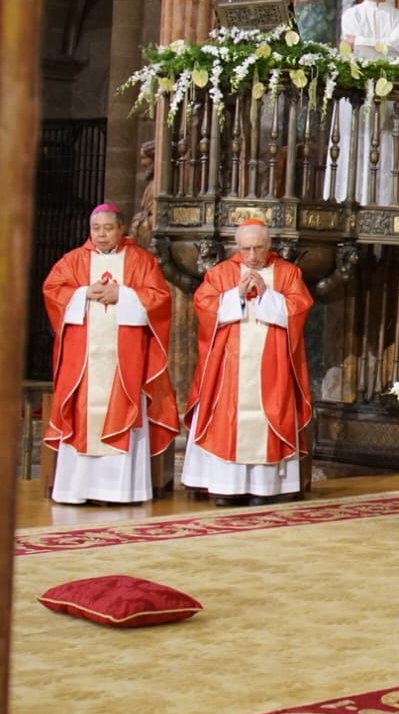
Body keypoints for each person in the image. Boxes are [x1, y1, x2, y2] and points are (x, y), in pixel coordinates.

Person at [42, 204, 180, 504]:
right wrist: (81, 293)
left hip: (125, 360)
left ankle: (118, 491)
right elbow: (52, 290)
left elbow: (159, 298)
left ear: (121, 229)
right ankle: (77, 489)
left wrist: (124, 295)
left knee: (123, 410)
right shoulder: (73, 261)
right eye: (96, 228)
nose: (101, 234)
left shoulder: (140, 260)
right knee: (82, 415)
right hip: (84, 360)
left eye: (108, 228)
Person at [183, 220, 313, 505]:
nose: (252, 255)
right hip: (230, 365)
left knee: (271, 414)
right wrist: (236, 296)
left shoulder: (288, 273)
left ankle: (265, 489)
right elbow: (203, 305)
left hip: (273, 365)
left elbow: (299, 309)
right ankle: (227, 487)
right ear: (237, 247)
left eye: (258, 247)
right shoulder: (222, 273)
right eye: (246, 248)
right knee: (227, 418)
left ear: (269, 246)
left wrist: (267, 294)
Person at [331, 0, 399, 204]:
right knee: (352, 141)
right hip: (355, 90)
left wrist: (363, 43)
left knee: (382, 143)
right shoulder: (351, 14)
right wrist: (378, 47)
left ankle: (380, 203)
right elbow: (353, 48)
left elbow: (396, 49)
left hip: (385, 92)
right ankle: (345, 200)